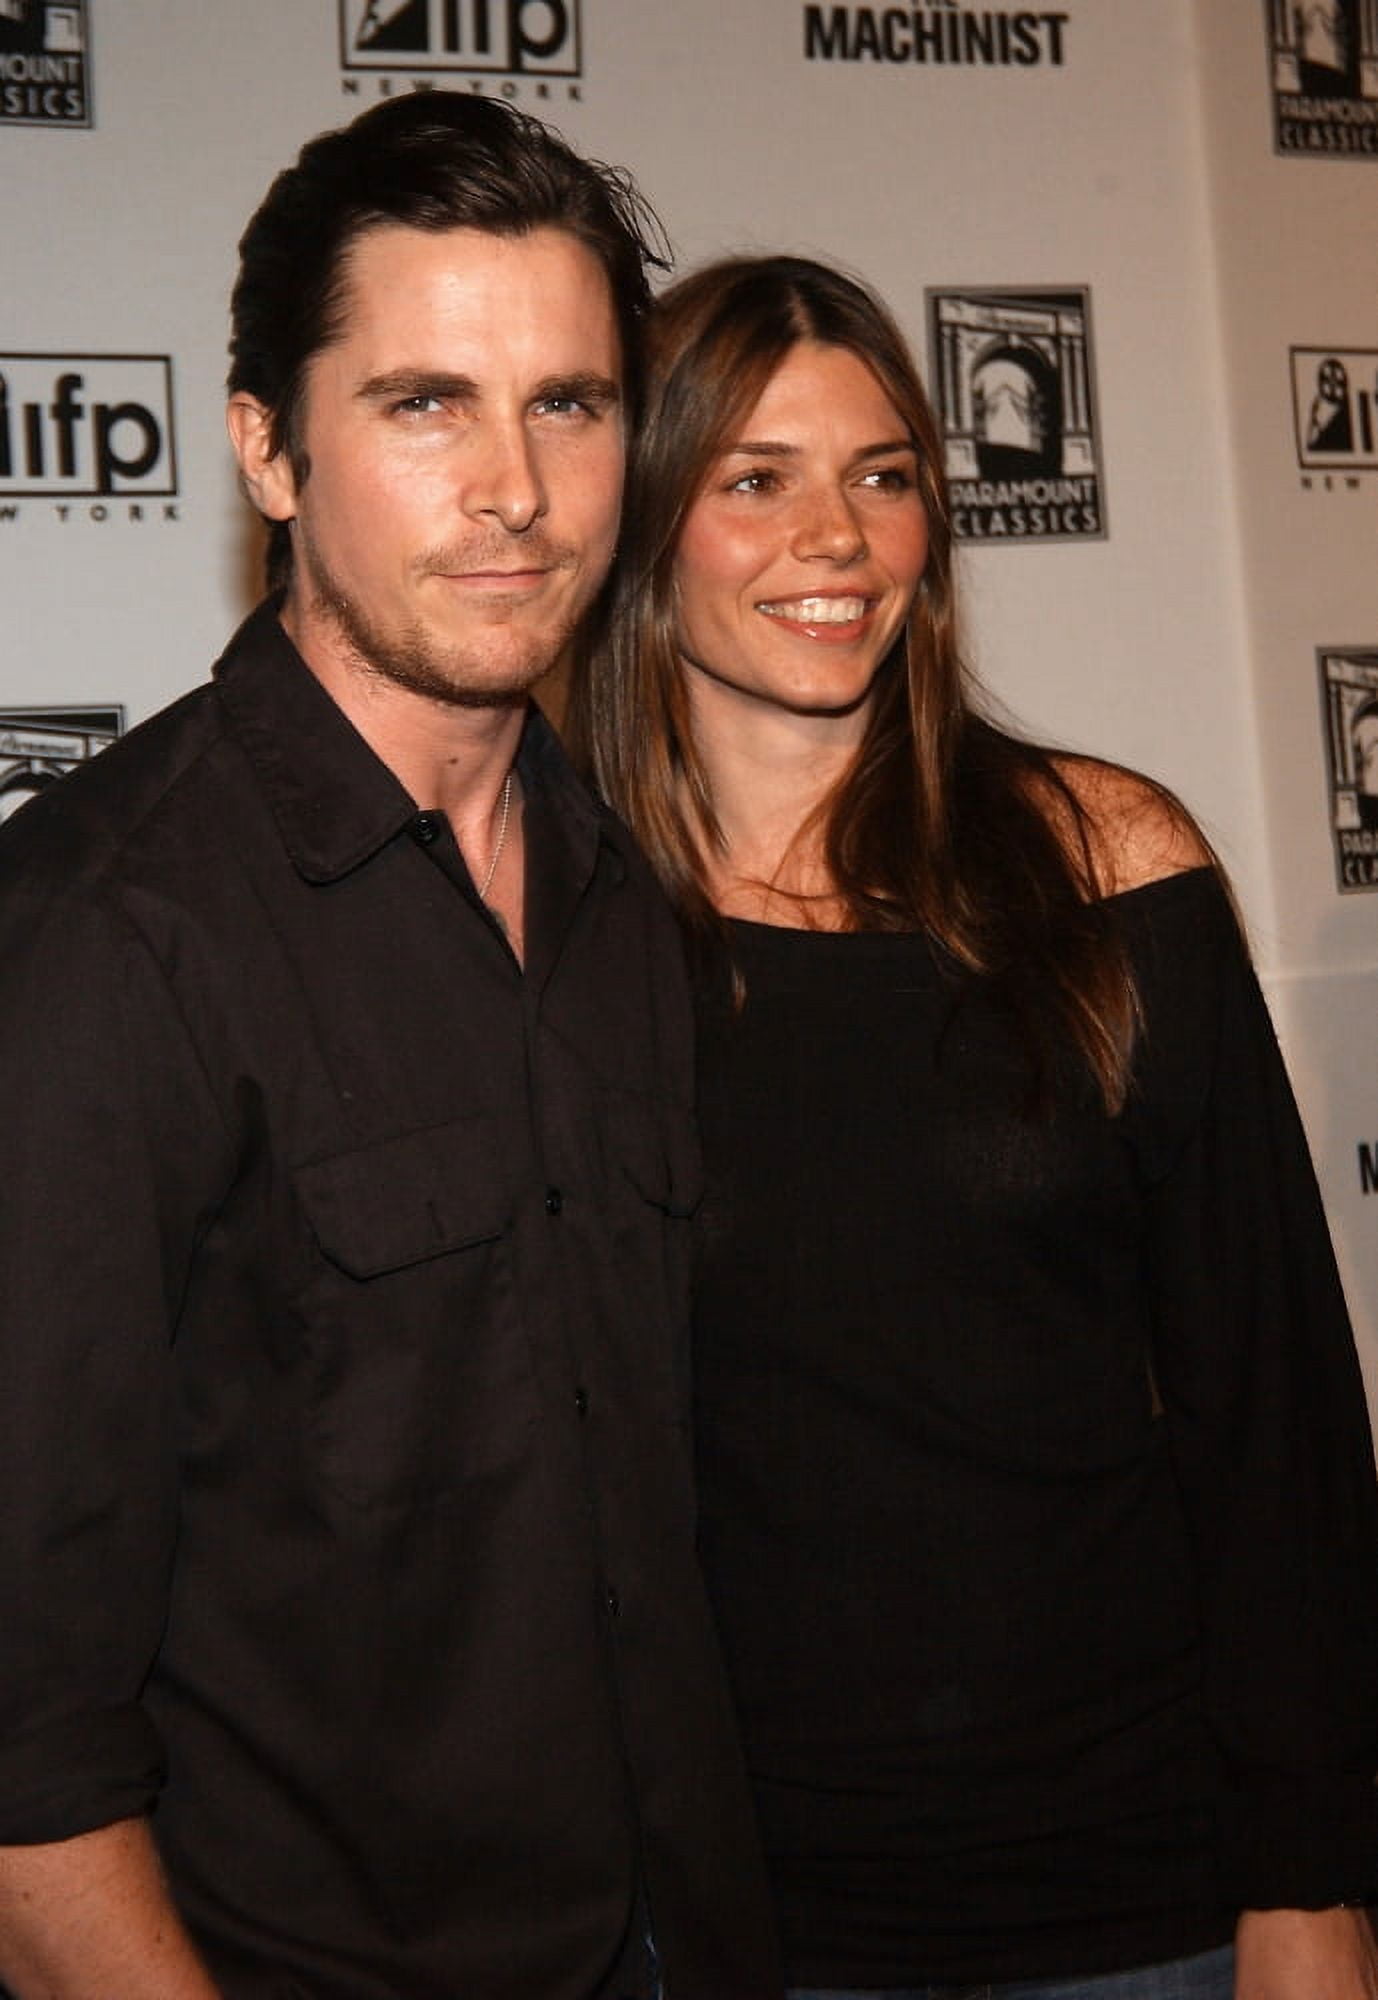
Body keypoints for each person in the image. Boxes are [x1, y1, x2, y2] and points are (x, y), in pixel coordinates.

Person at [0, 99, 783, 2000]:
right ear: (267, 448)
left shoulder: (623, 896)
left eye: (571, 406)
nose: (514, 487)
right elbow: (27, 1750)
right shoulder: (106, 928)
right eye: (426, 403)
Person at [573, 254, 1378, 2000]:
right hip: (736, 1923)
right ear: (645, 528)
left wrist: (1314, 1879)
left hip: (1141, 1904)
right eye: (755, 480)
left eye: (881, 476)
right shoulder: (547, 927)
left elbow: (1275, 1413)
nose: (837, 536)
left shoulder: (1102, 861)